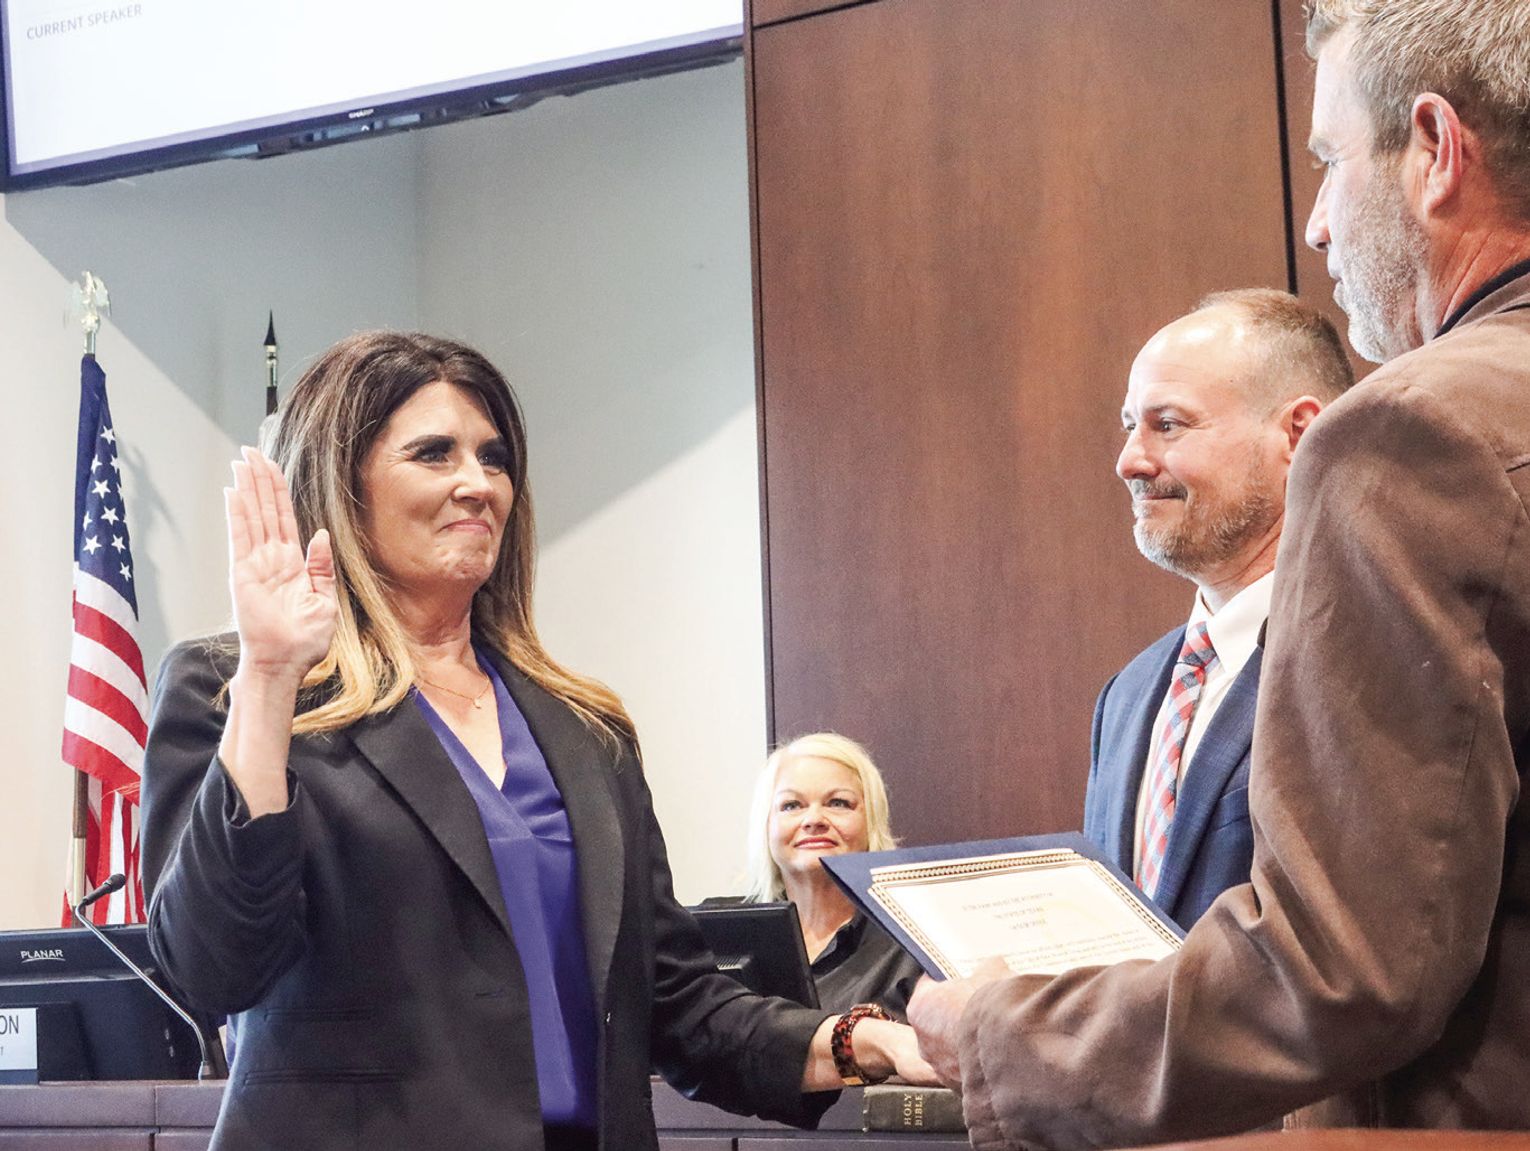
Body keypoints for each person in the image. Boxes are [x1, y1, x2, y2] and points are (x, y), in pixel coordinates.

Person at [907, 1, 1530, 1146]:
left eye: (1332, 161)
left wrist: (1002, 1032)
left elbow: (1339, 970)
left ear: (1437, 151)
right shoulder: (1131, 692)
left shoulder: (1411, 435)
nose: (1320, 223)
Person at [140, 332, 932, 1151]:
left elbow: (679, 1003)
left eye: (494, 458)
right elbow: (213, 965)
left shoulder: (586, 729)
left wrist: (862, 1041)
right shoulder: (237, 688)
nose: (478, 483)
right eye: (435, 453)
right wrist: (271, 676)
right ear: (343, 482)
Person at [1088, 289, 1352, 929]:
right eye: (1130, 426)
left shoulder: (1362, 662)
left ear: (1299, 433)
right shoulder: (1126, 695)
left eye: (1168, 424)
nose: (1130, 461)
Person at [742, 732, 925, 1017]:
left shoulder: (918, 941)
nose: (814, 820)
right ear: (766, 826)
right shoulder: (719, 935)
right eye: (792, 805)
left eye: (837, 803)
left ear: (871, 822)